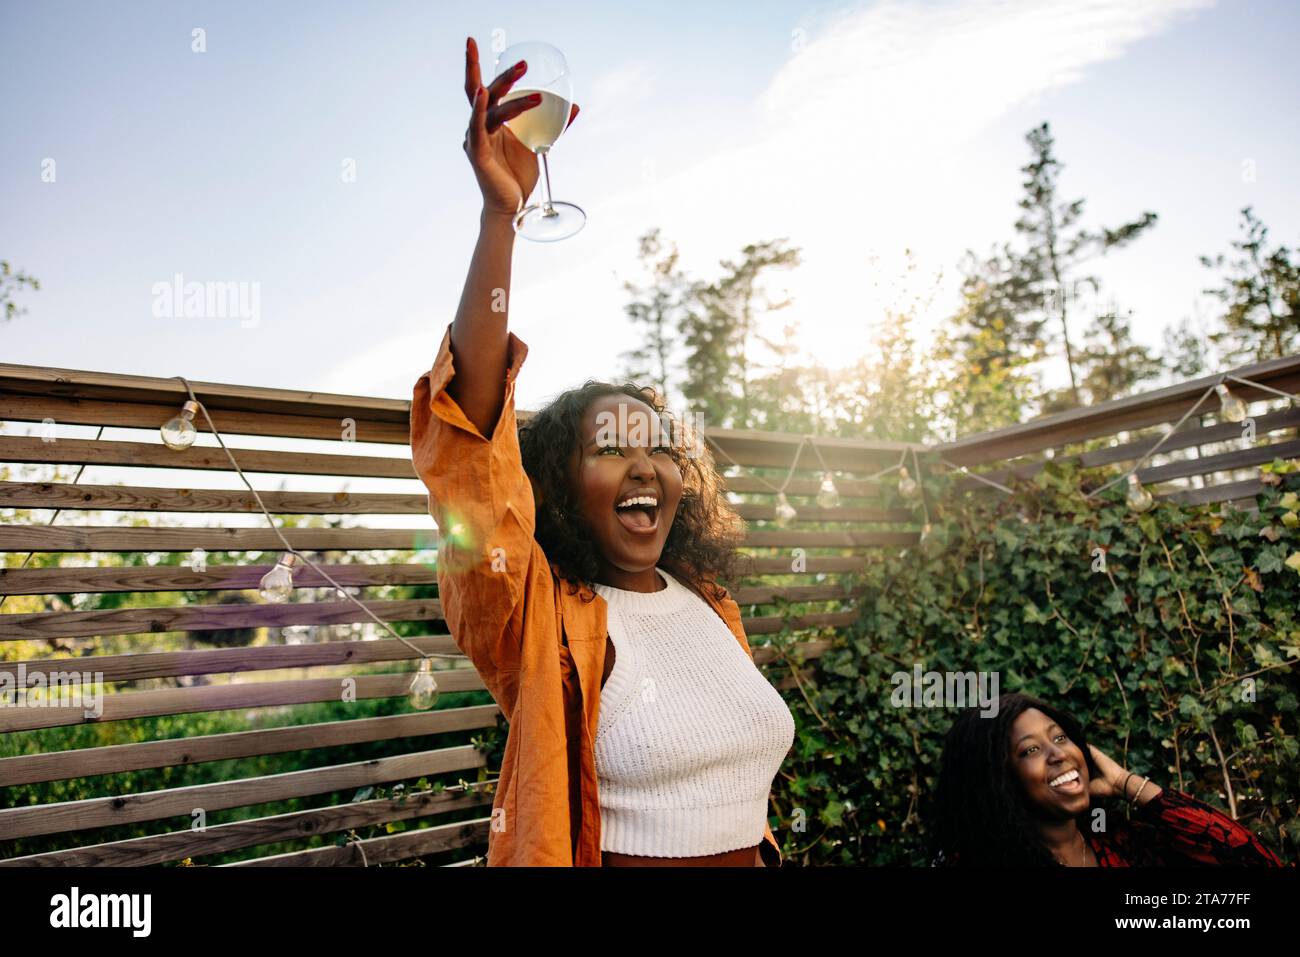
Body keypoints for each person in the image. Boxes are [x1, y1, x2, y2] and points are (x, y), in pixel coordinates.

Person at [407, 37, 795, 867]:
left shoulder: (710, 602)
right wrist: (498, 219)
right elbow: (473, 439)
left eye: (660, 446)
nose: (646, 464)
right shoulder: (538, 616)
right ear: (557, 484)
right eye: (612, 448)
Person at [931, 692, 1282, 866]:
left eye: (1059, 738)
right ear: (997, 779)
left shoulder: (1120, 842)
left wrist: (1126, 784)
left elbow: (1254, 861)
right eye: (1030, 751)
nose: (1058, 755)